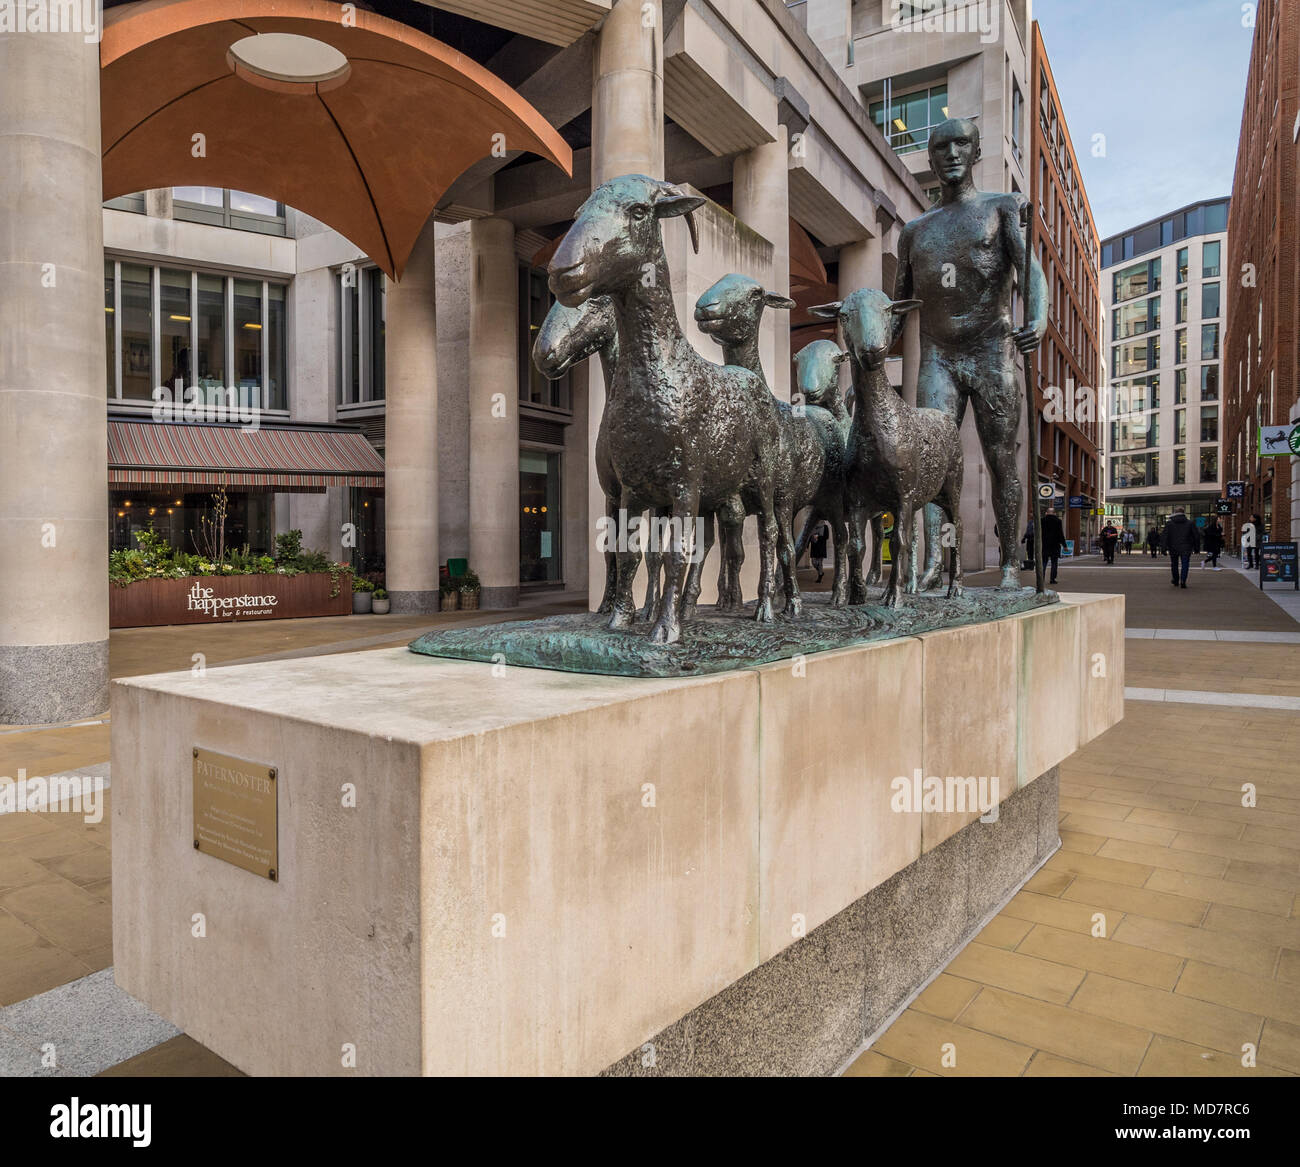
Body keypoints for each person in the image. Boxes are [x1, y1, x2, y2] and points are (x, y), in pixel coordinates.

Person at [893, 117, 1047, 592]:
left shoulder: (1000, 209)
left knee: (1001, 458)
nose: (952, 153)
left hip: (991, 349)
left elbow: (1031, 273)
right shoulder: (914, 232)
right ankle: (937, 560)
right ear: (930, 158)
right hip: (937, 354)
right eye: (941, 147)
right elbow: (900, 303)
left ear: (976, 151)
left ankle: (1009, 561)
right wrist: (874, 344)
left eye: (962, 144)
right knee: (930, 460)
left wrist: (1037, 320)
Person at [1162, 506, 1201, 588]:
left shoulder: (1169, 524)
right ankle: (1183, 580)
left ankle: (1176, 580)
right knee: (1185, 564)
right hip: (1186, 547)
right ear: (1184, 513)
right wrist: (1196, 548)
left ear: (1175, 513)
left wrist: (1164, 548)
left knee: (1174, 564)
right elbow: (1196, 536)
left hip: (1173, 547)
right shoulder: (1190, 523)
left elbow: (1165, 536)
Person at [1040, 508, 1067, 585]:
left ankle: (1041, 578)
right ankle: (1052, 579)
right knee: (1054, 562)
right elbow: (1060, 534)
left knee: (1043, 562)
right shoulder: (1058, 521)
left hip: (1044, 544)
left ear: (1046, 513)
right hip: (1055, 545)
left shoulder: (1042, 520)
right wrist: (1064, 545)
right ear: (1054, 513)